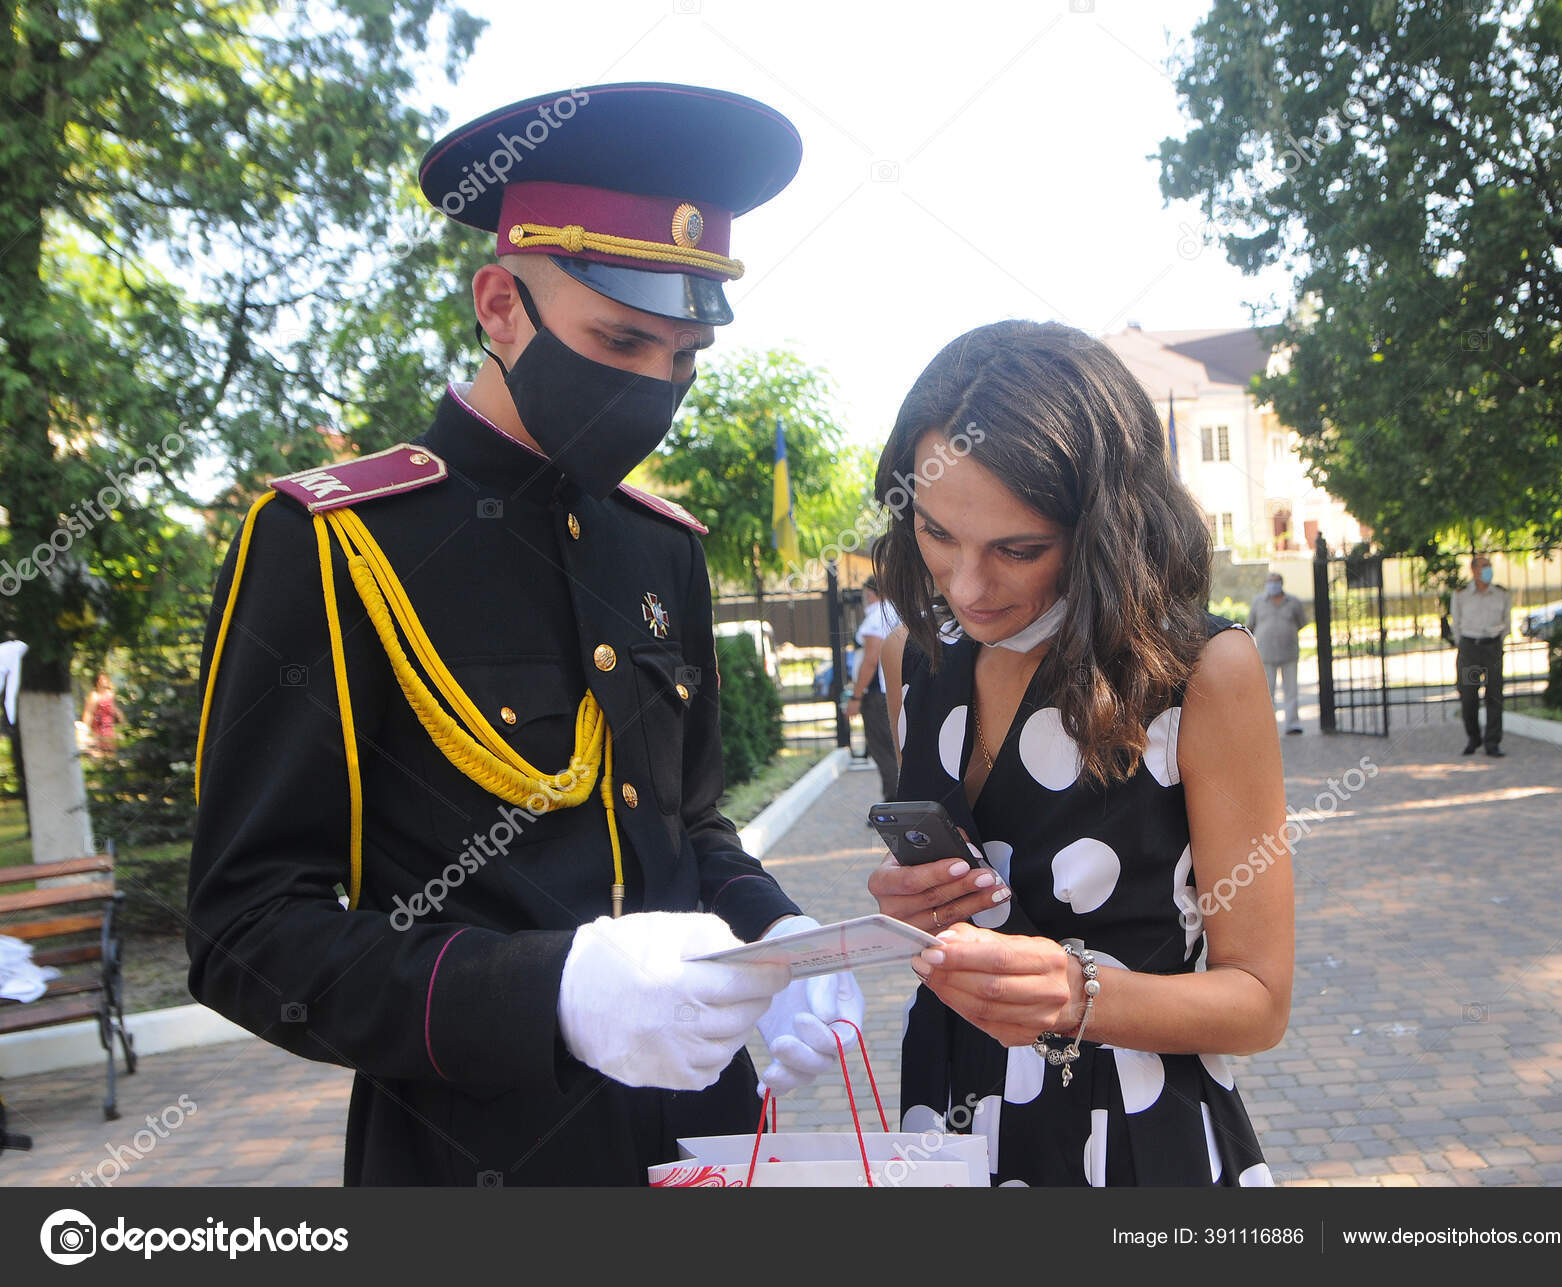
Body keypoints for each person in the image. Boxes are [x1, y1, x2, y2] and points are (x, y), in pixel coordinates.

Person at [186, 83, 863, 1187]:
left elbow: (688, 826)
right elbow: (244, 932)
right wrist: (546, 994)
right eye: (621, 338)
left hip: (704, 1137)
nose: (655, 387)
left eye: (684, 357)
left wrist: (774, 935)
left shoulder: (661, 550)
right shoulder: (336, 541)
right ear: (500, 304)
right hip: (478, 1156)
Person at [866, 322, 1290, 1186]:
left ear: (1104, 528)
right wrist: (915, 909)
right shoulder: (924, 656)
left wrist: (1078, 992)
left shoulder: (1202, 673)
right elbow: (967, 914)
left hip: (1126, 1137)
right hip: (950, 1118)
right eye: (938, 533)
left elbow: (1260, 1000)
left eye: (1017, 549)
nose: (966, 584)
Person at [1451, 554, 1511, 757]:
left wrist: (1498, 643)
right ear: (1474, 570)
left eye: (1489, 565)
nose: (1488, 569)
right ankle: (1473, 737)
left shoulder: (1501, 593)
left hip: (1492, 646)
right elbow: (1456, 623)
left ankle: (1492, 742)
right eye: (1484, 566)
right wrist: (1464, 645)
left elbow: (1507, 622)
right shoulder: (1461, 594)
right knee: (1468, 695)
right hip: (1470, 647)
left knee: (1495, 695)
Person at [846, 575, 900, 797]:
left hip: (878, 695)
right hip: (897, 690)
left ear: (871, 593)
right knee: (897, 749)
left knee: (884, 751)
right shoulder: (899, 613)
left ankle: (893, 804)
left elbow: (870, 659)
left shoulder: (876, 617)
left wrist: (856, 697)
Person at [1246, 572, 1307, 734]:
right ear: (1266, 584)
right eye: (1270, 582)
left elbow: (1302, 623)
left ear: (1282, 583)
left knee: (1291, 690)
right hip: (1266, 654)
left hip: (1289, 653)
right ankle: (1269, 726)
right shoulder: (1258, 602)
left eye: (1276, 582)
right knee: (1267, 692)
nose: (1273, 585)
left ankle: (1292, 724)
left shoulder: (1293, 602)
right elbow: (1250, 625)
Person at [80, 672, 122, 757]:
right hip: (99, 725)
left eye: (105, 679)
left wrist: (120, 717)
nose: (104, 682)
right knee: (99, 748)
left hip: (108, 725)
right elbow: (89, 712)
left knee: (111, 748)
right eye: (102, 680)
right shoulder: (94, 696)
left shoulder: (110, 694)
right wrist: (85, 728)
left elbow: (113, 707)